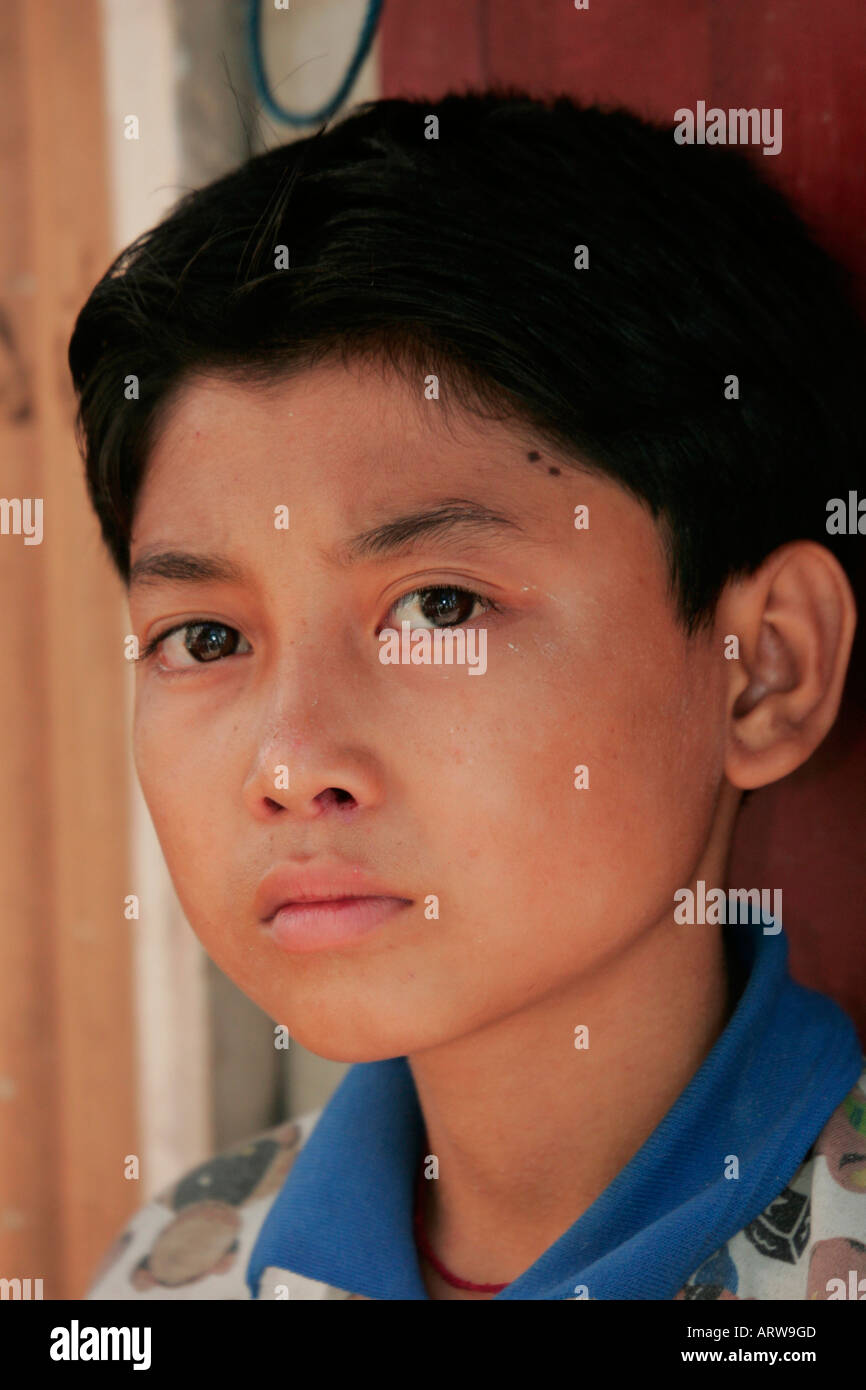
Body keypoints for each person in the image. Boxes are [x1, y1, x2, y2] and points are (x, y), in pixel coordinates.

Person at [68, 90, 866, 1301]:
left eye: (437, 606)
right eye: (207, 633)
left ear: (759, 670)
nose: (288, 764)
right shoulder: (179, 1264)